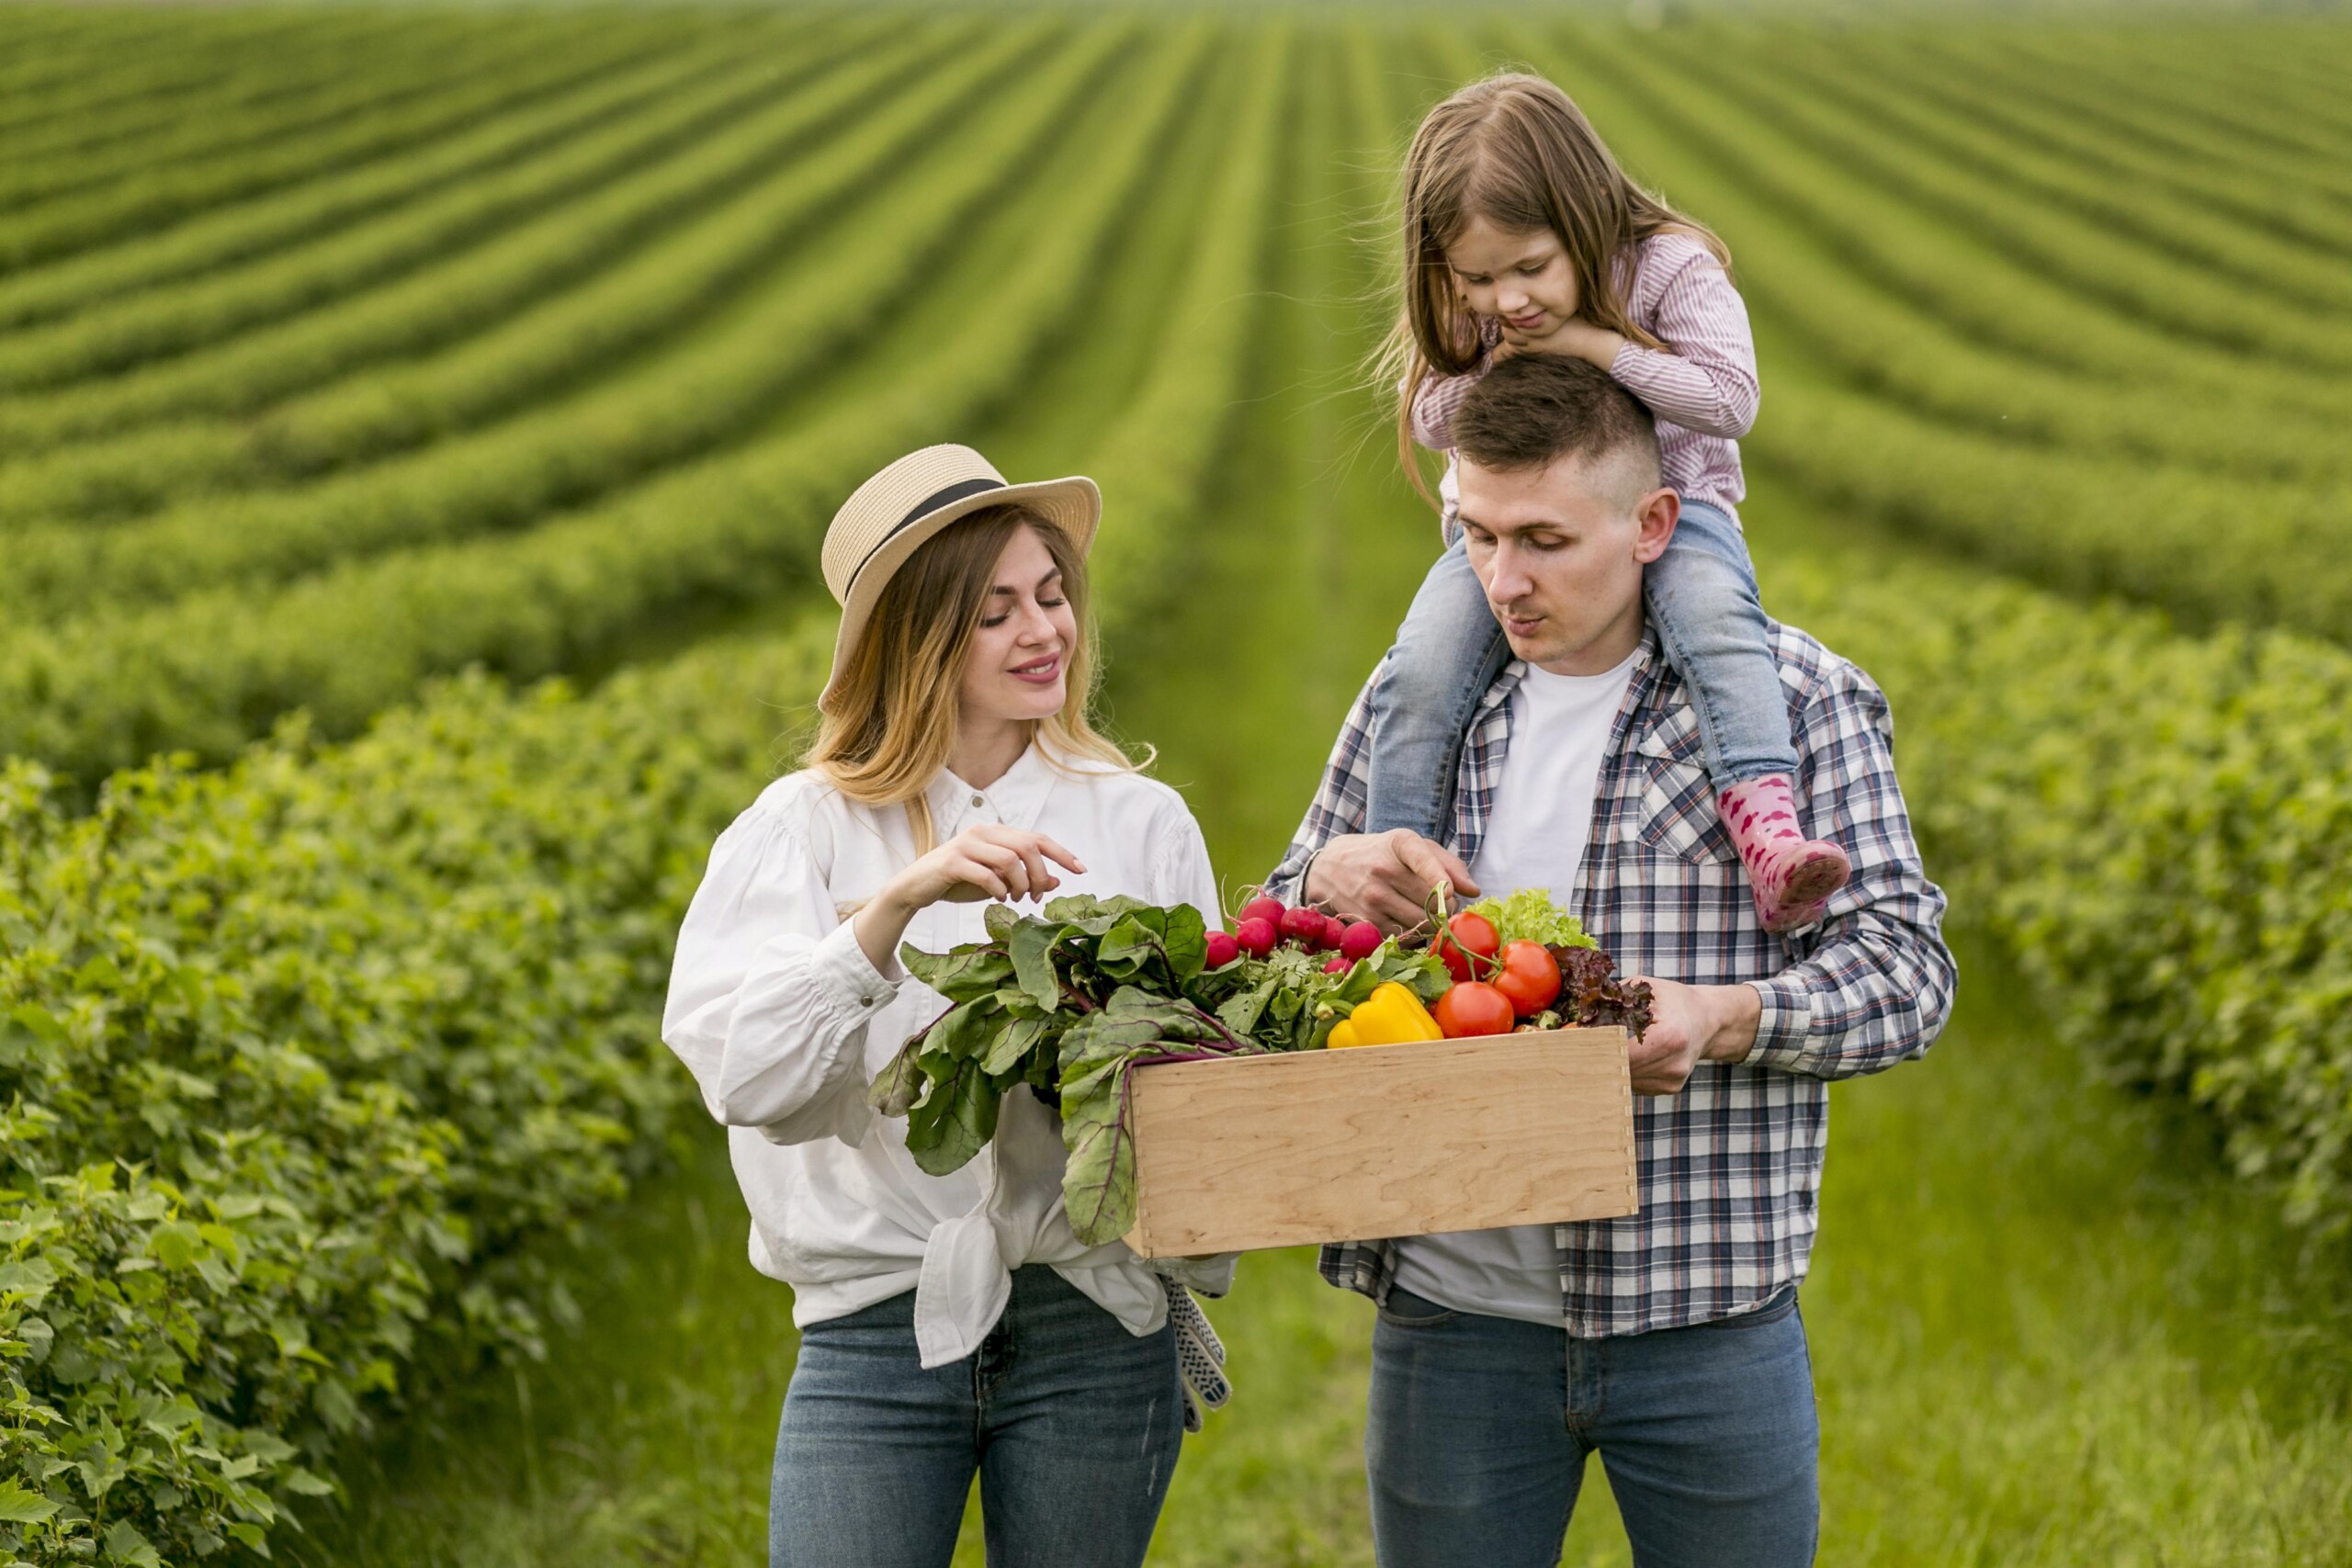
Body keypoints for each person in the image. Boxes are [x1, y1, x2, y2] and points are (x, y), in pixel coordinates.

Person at [1266, 355, 1956, 1568]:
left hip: (1703, 1321)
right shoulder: (1416, 701)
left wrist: (1723, 1013)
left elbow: (1907, 971)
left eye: (1543, 538)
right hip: (1452, 1316)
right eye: (1475, 534)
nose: (1503, 578)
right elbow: (1274, 921)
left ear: (1653, 524)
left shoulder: (1795, 700)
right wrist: (1323, 883)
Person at [662, 445, 1233, 1568]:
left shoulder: (1137, 822)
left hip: (1088, 1319)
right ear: (917, 641)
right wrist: (895, 907)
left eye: (1052, 596)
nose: (1043, 633)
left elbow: (1200, 1089)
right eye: (994, 613)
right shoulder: (803, 829)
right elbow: (746, 1079)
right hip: (876, 1330)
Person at [1370, 71, 1848, 932]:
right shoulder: (1483, 310)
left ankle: (1766, 829)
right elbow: (1440, 420)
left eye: (1531, 268)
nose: (1508, 298)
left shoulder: (1667, 268)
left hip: (1681, 505)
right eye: (1478, 277)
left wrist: (1594, 345)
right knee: (1423, 666)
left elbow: (1730, 398)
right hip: (1507, 519)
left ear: (1585, 216)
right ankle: (1391, 866)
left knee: (1716, 627)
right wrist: (1492, 348)